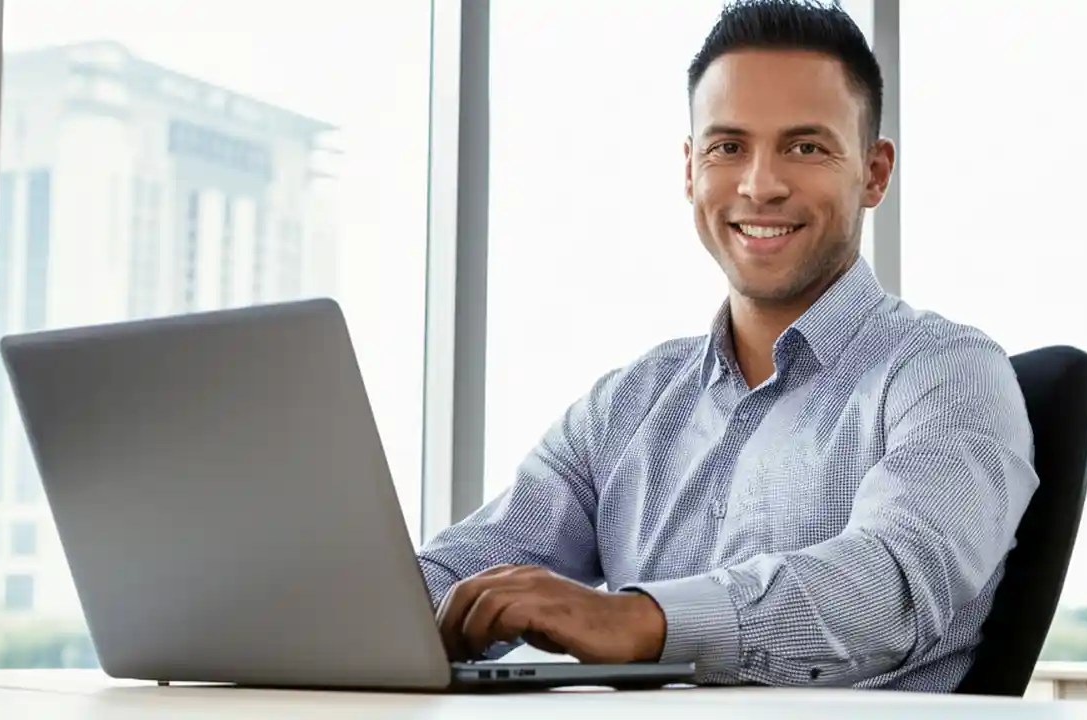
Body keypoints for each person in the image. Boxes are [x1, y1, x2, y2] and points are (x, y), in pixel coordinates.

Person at [417, 0, 1038, 691]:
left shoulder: (948, 374)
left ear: (874, 172)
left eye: (805, 147)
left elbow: (892, 583)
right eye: (728, 147)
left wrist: (641, 621)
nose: (760, 185)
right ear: (691, 171)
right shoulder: (625, 406)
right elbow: (465, 566)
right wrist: (344, 603)